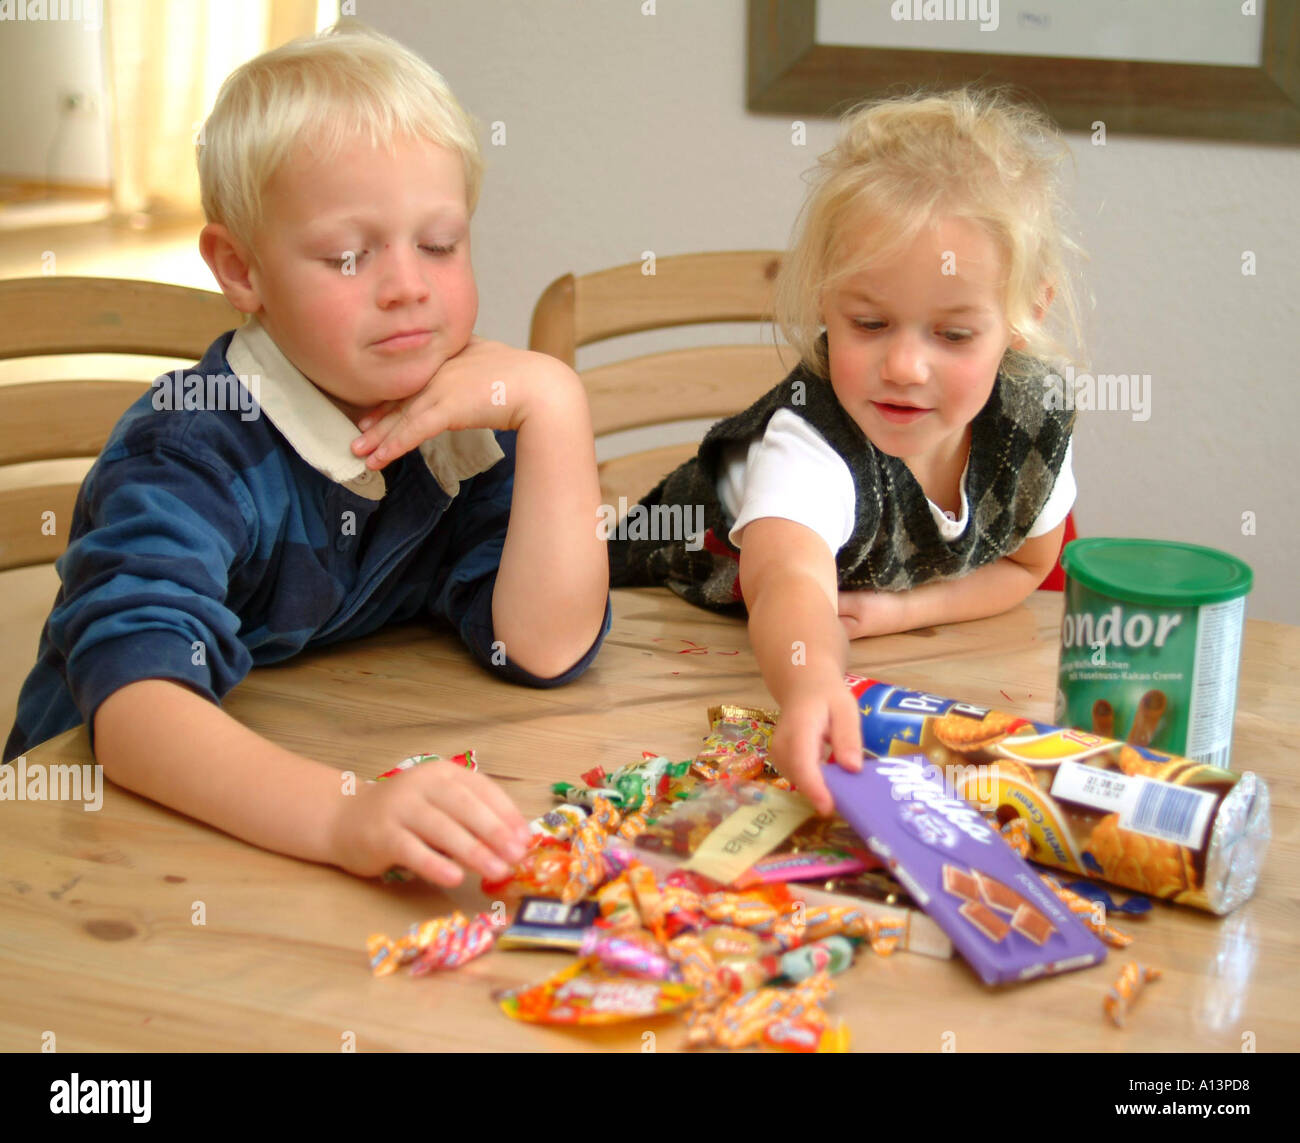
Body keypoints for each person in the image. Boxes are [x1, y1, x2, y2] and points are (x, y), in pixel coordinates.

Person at [3, 24, 610, 889]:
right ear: (242, 270)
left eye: (440, 243)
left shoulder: (460, 426)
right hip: (92, 849)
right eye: (348, 256)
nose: (408, 284)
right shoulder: (190, 448)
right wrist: (341, 813)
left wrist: (557, 406)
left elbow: (543, 647)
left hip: (289, 801)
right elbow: (135, 709)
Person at [610, 88, 1086, 814]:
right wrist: (809, 683)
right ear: (824, 302)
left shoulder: (1029, 421)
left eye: (953, 335)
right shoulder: (808, 445)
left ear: (1025, 316)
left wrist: (900, 612)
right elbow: (790, 584)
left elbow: (1030, 562)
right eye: (869, 323)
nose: (904, 366)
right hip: (635, 614)